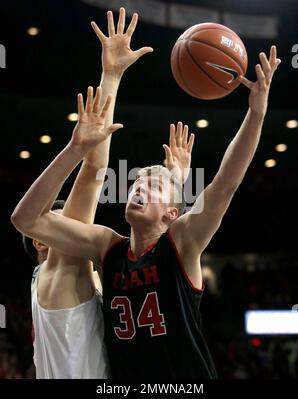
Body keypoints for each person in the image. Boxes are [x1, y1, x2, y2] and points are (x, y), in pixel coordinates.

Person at [11, 40, 281, 378]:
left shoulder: (180, 243)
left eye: (150, 187)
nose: (138, 187)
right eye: (136, 183)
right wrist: (166, 182)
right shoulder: (107, 248)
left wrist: (255, 114)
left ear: (172, 215)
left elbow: (224, 185)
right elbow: (27, 218)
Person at [16, 7, 153, 379]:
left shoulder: (65, 276)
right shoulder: (61, 266)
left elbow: (93, 171)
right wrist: (110, 76)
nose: (79, 226)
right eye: (60, 223)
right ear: (42, 242)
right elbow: (93, 172)